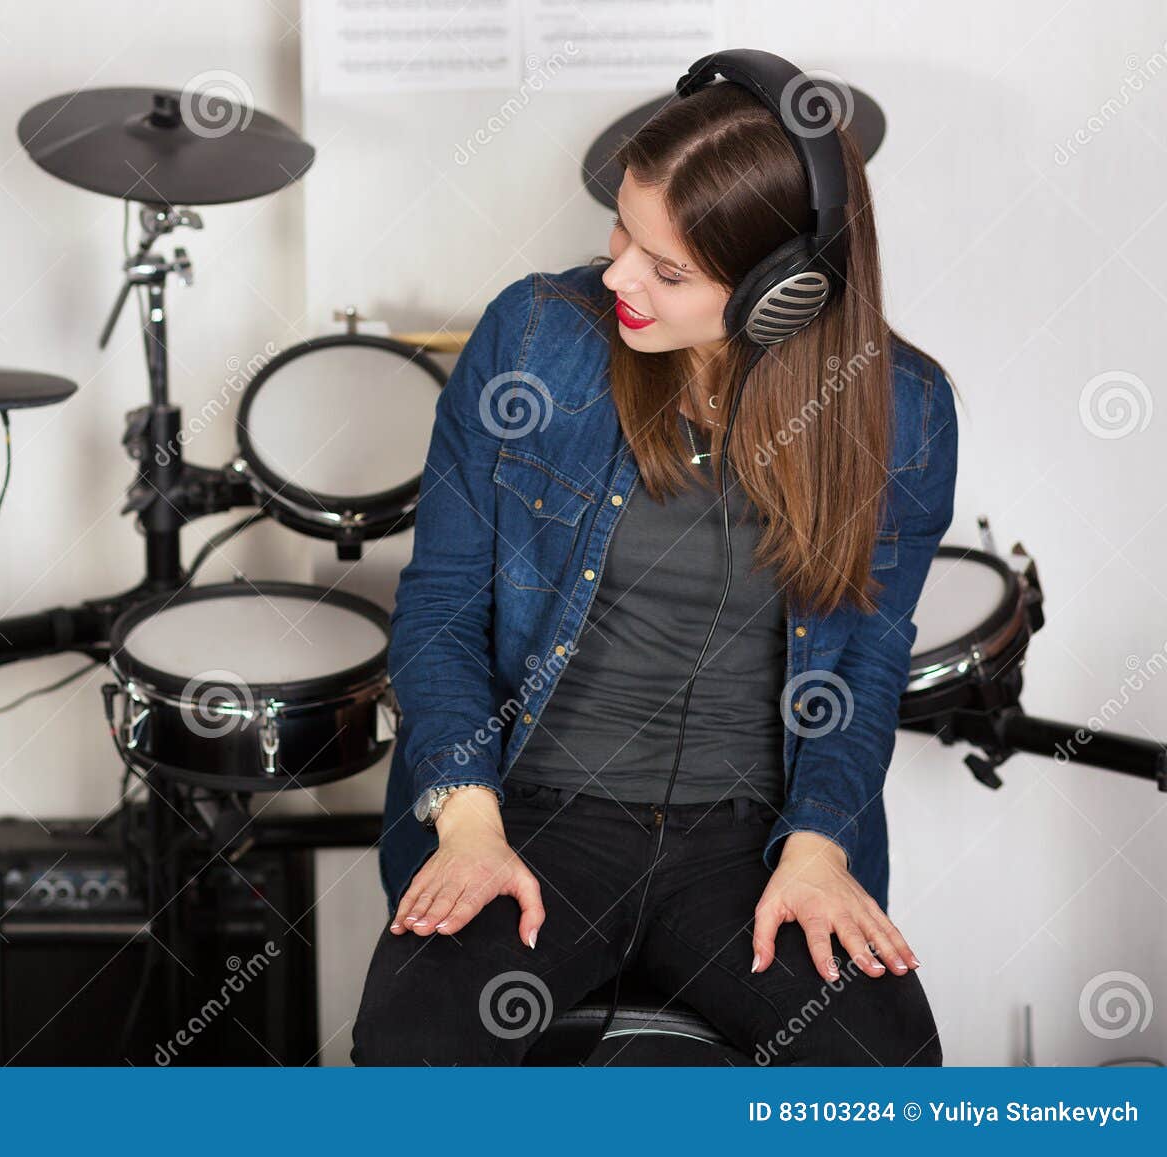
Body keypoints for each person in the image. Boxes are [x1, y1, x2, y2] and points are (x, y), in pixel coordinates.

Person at [352, 62, 958, 1066]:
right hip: (532, 811)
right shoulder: (537, 334)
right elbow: (444, 604)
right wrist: (465, 820)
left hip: (751, 836)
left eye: (666, 268)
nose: (617, 273)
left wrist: (815, 846)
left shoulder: (903, 410)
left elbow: (864, 662)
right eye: (623, 229)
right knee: (411, 1053)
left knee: (886, 1067)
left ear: (784, 291)